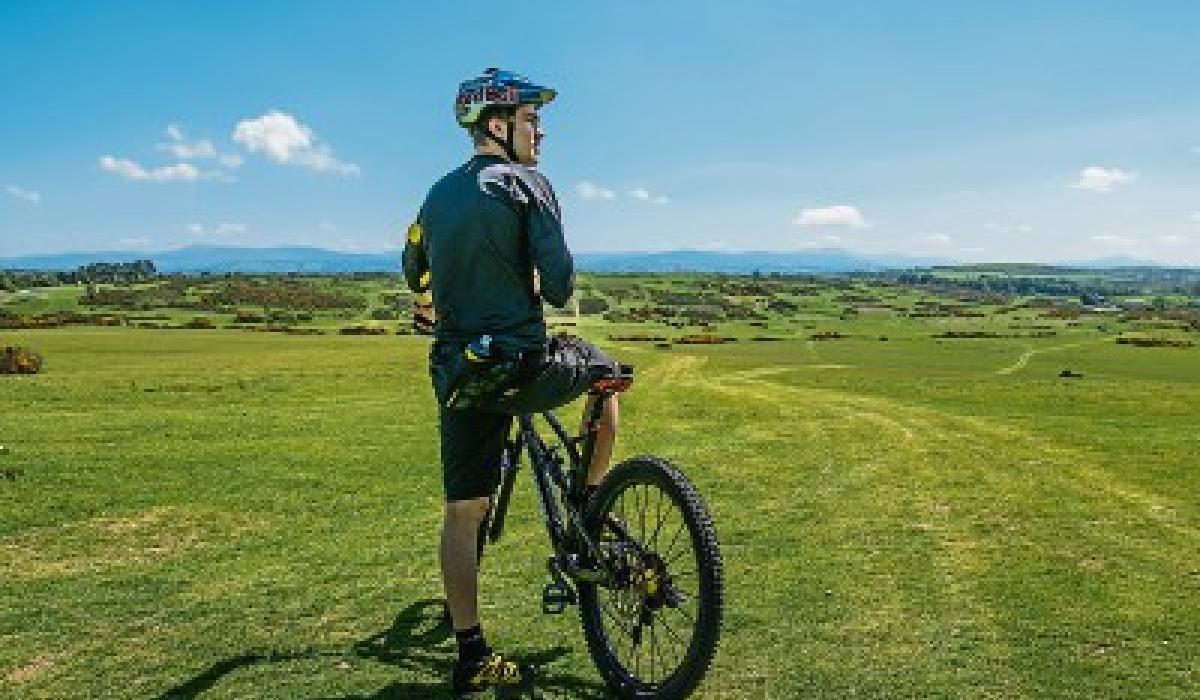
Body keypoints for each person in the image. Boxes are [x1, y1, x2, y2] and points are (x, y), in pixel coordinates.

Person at [402, 67, 621, 695]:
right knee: (608, 375)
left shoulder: (434, 198)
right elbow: (559, 286)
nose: (541, 133)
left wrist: (430, 308)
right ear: (498, 125)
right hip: (525, 366)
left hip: (461, 372)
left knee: (463, 511)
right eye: (531, 120)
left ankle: (470, 652)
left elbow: (415, 267)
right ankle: (593, 501)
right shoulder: (528, 184)